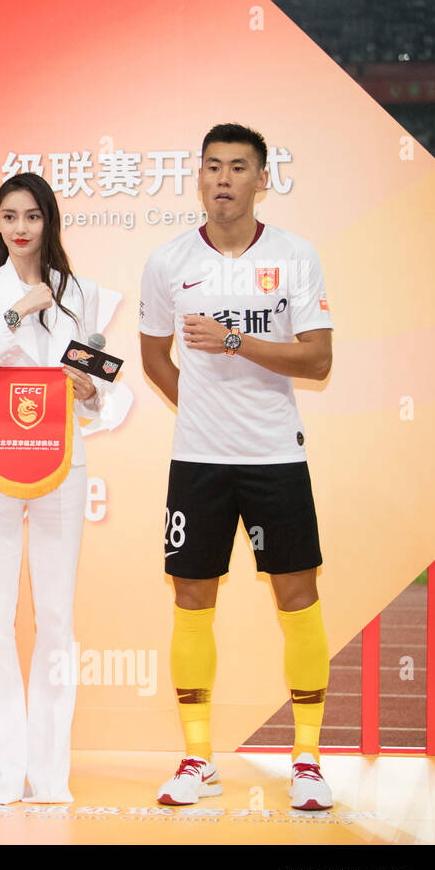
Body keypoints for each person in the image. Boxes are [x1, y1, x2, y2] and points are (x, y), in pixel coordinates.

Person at [140, 123, 334, 810]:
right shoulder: (167, 261)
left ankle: (307, 761)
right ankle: (198, 758)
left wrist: (233, 342)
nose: (224, 179)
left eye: (239, 167)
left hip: (275, 454)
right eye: (213, 166)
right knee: (192, 600)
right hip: (197, 459)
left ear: (262, 180)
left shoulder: (295, 255)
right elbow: (154, 355)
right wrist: (200, 411)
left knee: (297, 597)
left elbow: (317, 359)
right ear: (199, 177)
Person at [0, 172, 106, 805]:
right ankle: (2, 772)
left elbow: (93, 383)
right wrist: (20, 308)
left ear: (49, 222)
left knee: (56, 616)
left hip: (61, 460)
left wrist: (91, 391)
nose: (20, 228)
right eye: (9, 216)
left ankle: (48, 774)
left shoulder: (79, 291)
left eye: (32, 216)